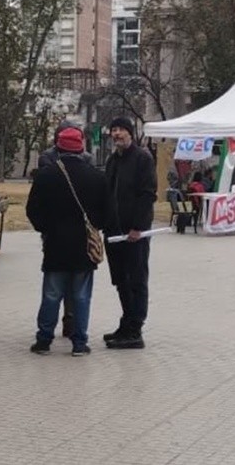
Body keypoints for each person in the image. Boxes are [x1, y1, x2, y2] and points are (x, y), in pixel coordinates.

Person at [26, 127, 110, 357]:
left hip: (55, 245)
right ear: (81, 147)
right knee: (82, 296)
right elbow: (106, 213)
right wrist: (94, 227)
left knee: (52, 294)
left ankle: (43, 340)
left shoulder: (45, 175)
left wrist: (46, 228)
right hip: (84, 248)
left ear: (59, 148)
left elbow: (32, 210)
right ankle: (79, 343)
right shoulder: (96, 177)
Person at [102, 118, 156, 350]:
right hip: (114, 231)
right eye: (113, 130)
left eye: (121, 130)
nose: (117, 134)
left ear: (130, 134)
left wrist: (138, 227)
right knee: (120, 280)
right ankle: (126, 322)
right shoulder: (113, 160)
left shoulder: (142, 159)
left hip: (134, 233)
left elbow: (147, 194)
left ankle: (135, 329)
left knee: (136, 279)